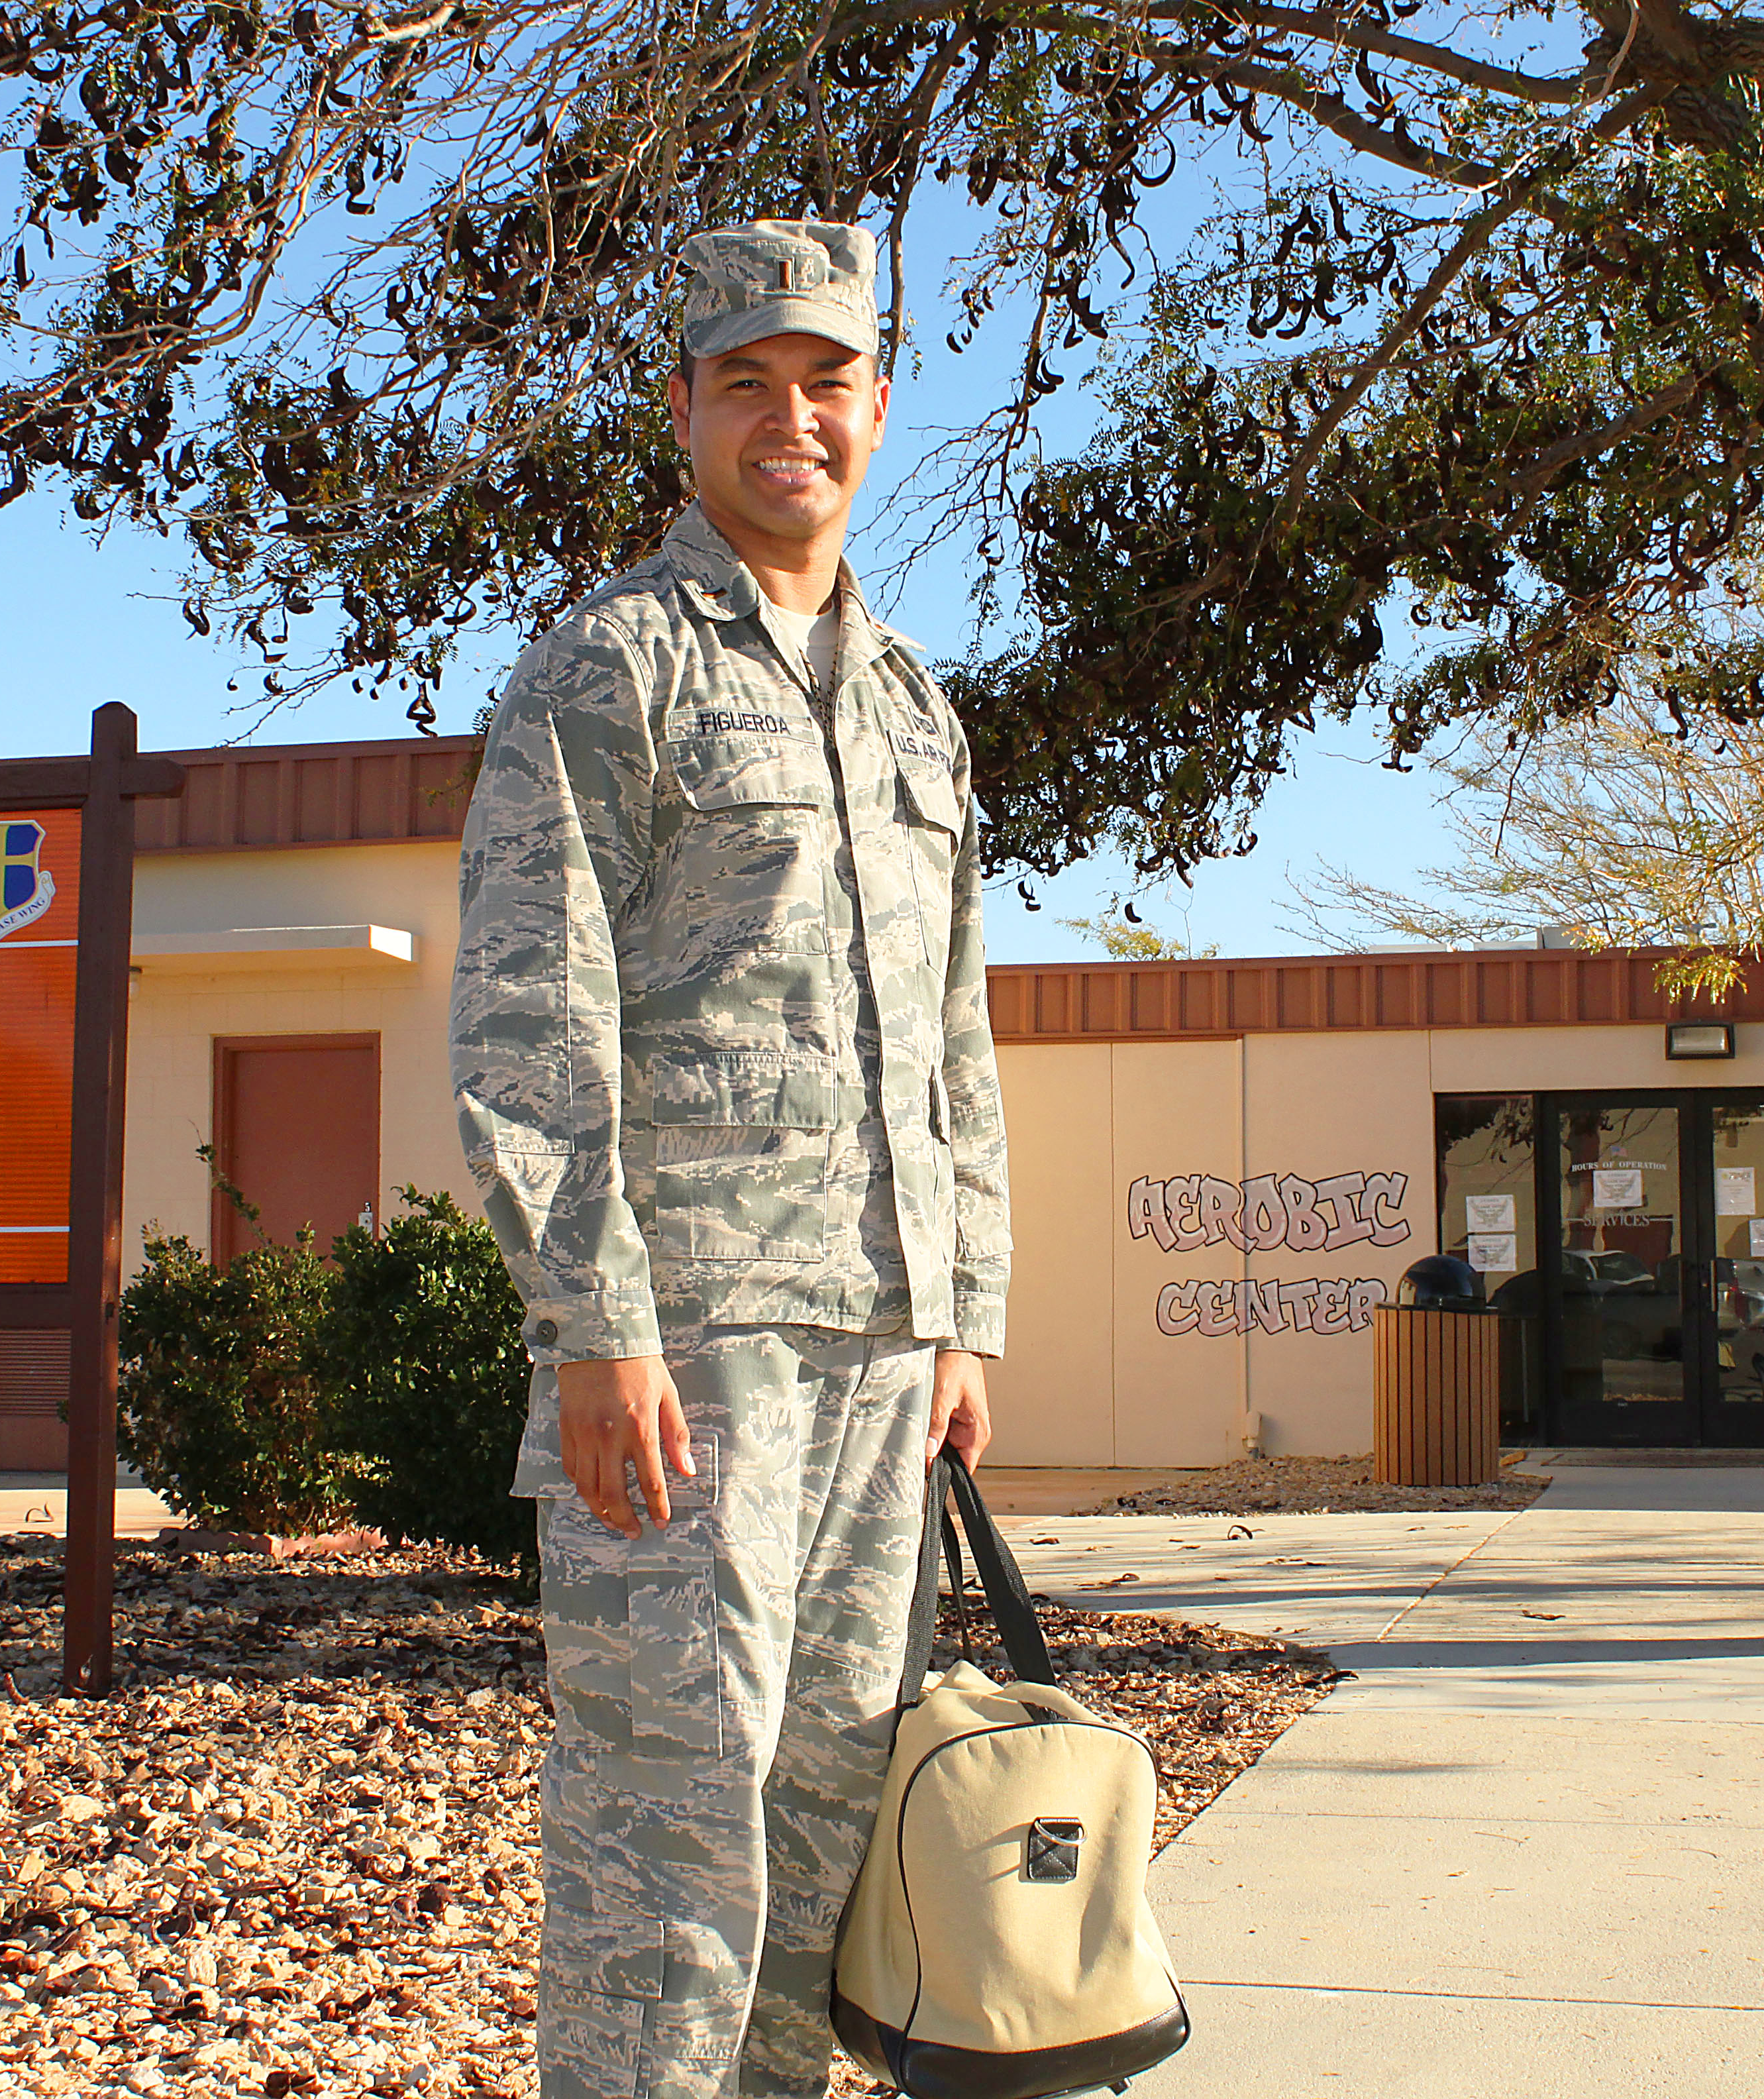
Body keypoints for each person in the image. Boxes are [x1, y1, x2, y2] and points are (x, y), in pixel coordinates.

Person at [449, 219, 1013, 2099]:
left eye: (829, 379)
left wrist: (966, 1318)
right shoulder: (608, 670)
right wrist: (591, 1326)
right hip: (685, 1359)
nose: (795, 418)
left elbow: (952, 1032)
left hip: (878, 1351)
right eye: (749, 381)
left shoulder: (915, 697)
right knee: (664, 1853)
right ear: (686, 408)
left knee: (826, 1835)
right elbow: (534, 1031)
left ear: (878, 400)